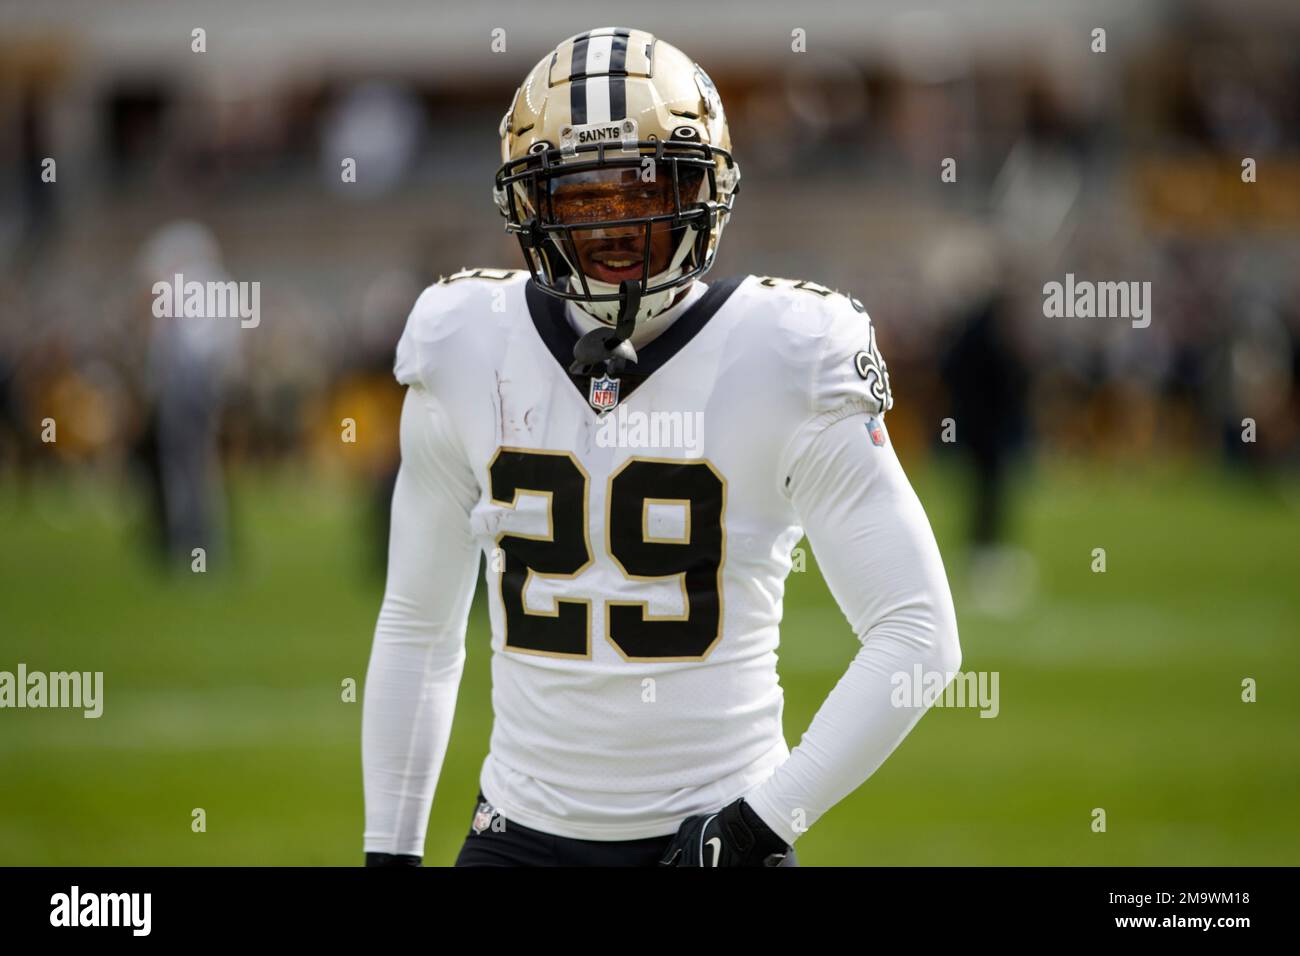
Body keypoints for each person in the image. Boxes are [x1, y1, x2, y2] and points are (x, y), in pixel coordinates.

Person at [362, 27, 960, 867]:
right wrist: (388, 852)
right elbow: (418, 626)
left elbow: (917, 634)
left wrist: (760, 823)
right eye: (583, 197)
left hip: (717, 830)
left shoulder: (790, 350)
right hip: (516, 841)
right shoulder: (464, 339)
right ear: (531, 206)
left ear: (706, 188)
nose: (617, 222)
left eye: (643, 188)